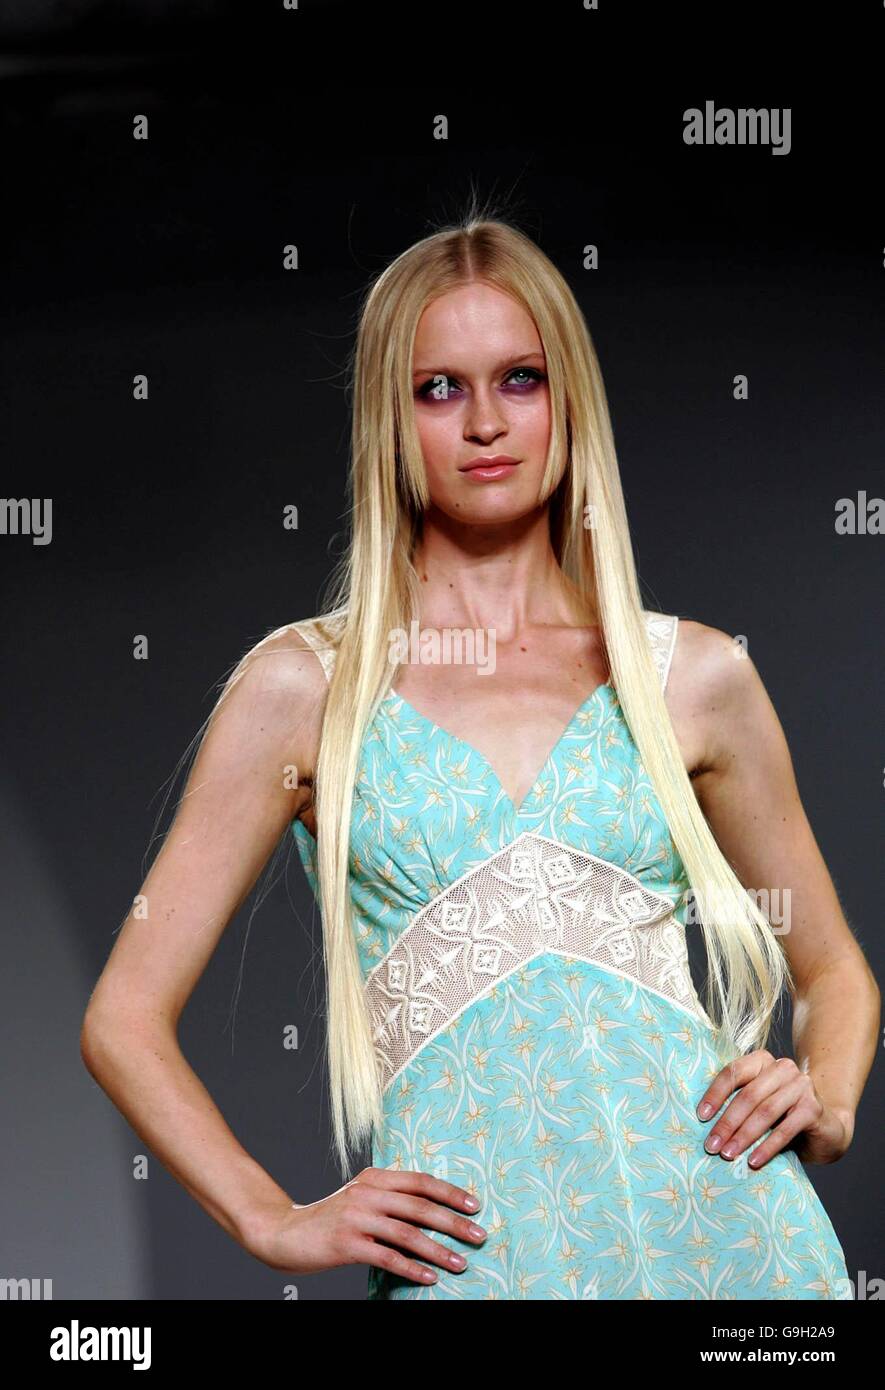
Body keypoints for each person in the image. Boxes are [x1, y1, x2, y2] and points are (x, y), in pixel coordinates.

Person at [81, 210, 879, 1301]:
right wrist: (272, 1218)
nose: (488, 423)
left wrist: (824, 1099)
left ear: (568, 400)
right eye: (440, 388)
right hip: (480, 1269)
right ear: (389, 419)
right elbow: (123, 1019)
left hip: (739, 1253)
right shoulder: (304, 689)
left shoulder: (688, 676)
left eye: (521, 378)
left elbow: (833, 969)